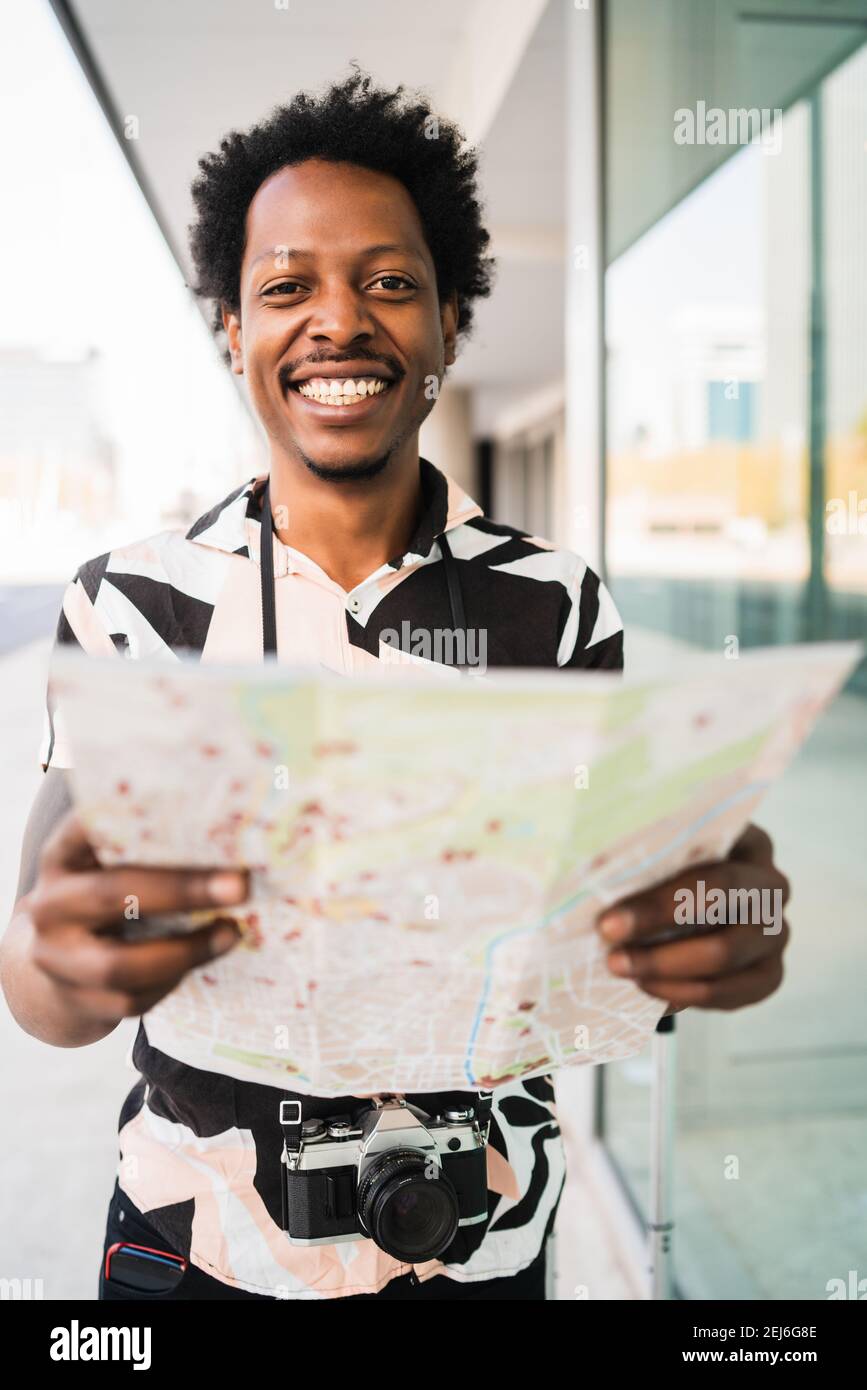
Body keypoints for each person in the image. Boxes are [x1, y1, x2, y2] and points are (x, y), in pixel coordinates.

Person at [0, 71, 789, 1301]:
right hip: (199, 1247)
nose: (338, 321)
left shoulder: (557, 605)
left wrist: (717, 926)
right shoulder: (128, 603)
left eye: (389, 282)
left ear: (450, 321)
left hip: (483, 1250)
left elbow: (633, 894)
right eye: (284, 288)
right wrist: (59, 964)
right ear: (231, 332)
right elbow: (45, 977)